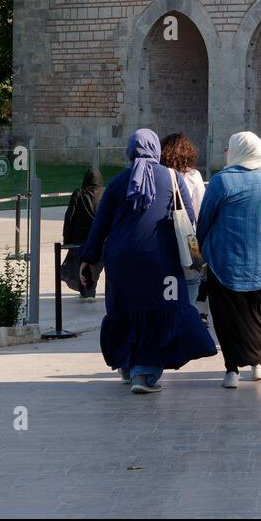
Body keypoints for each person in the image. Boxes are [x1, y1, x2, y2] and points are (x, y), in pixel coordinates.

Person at [78, 130, 217, 394]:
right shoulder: (173, 179)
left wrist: (88, 259)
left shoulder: (119, 183)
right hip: (161, 261)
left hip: (121, 262)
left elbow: (100, 225)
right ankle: (145, 373)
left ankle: (127, 366)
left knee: (124, 308)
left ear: (131, 151)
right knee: (160, 311)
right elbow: (189, 218)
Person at [196, 131, 261, 388]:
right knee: (258, 312)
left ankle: (232, 370)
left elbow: (204, 220)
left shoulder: (220, 182)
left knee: (227, 317)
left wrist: (202, 247)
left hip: (224, 263)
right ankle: (258, 364)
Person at [161, 132, 206, 312]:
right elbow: (199, 210)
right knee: (192, 278)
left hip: (165, 236)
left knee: (168, 280)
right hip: (190, 237)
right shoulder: (193, 176)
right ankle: (188, 313)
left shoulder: (159, 175)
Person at [60, 168, 104, 301]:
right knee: (97, 265)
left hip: (81, 238)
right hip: (101, 237)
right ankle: (90, 290)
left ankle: (87, 291)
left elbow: (70, 217)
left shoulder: (78, 193)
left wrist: (67, 238)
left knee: (83, 264)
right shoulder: (106, 193)